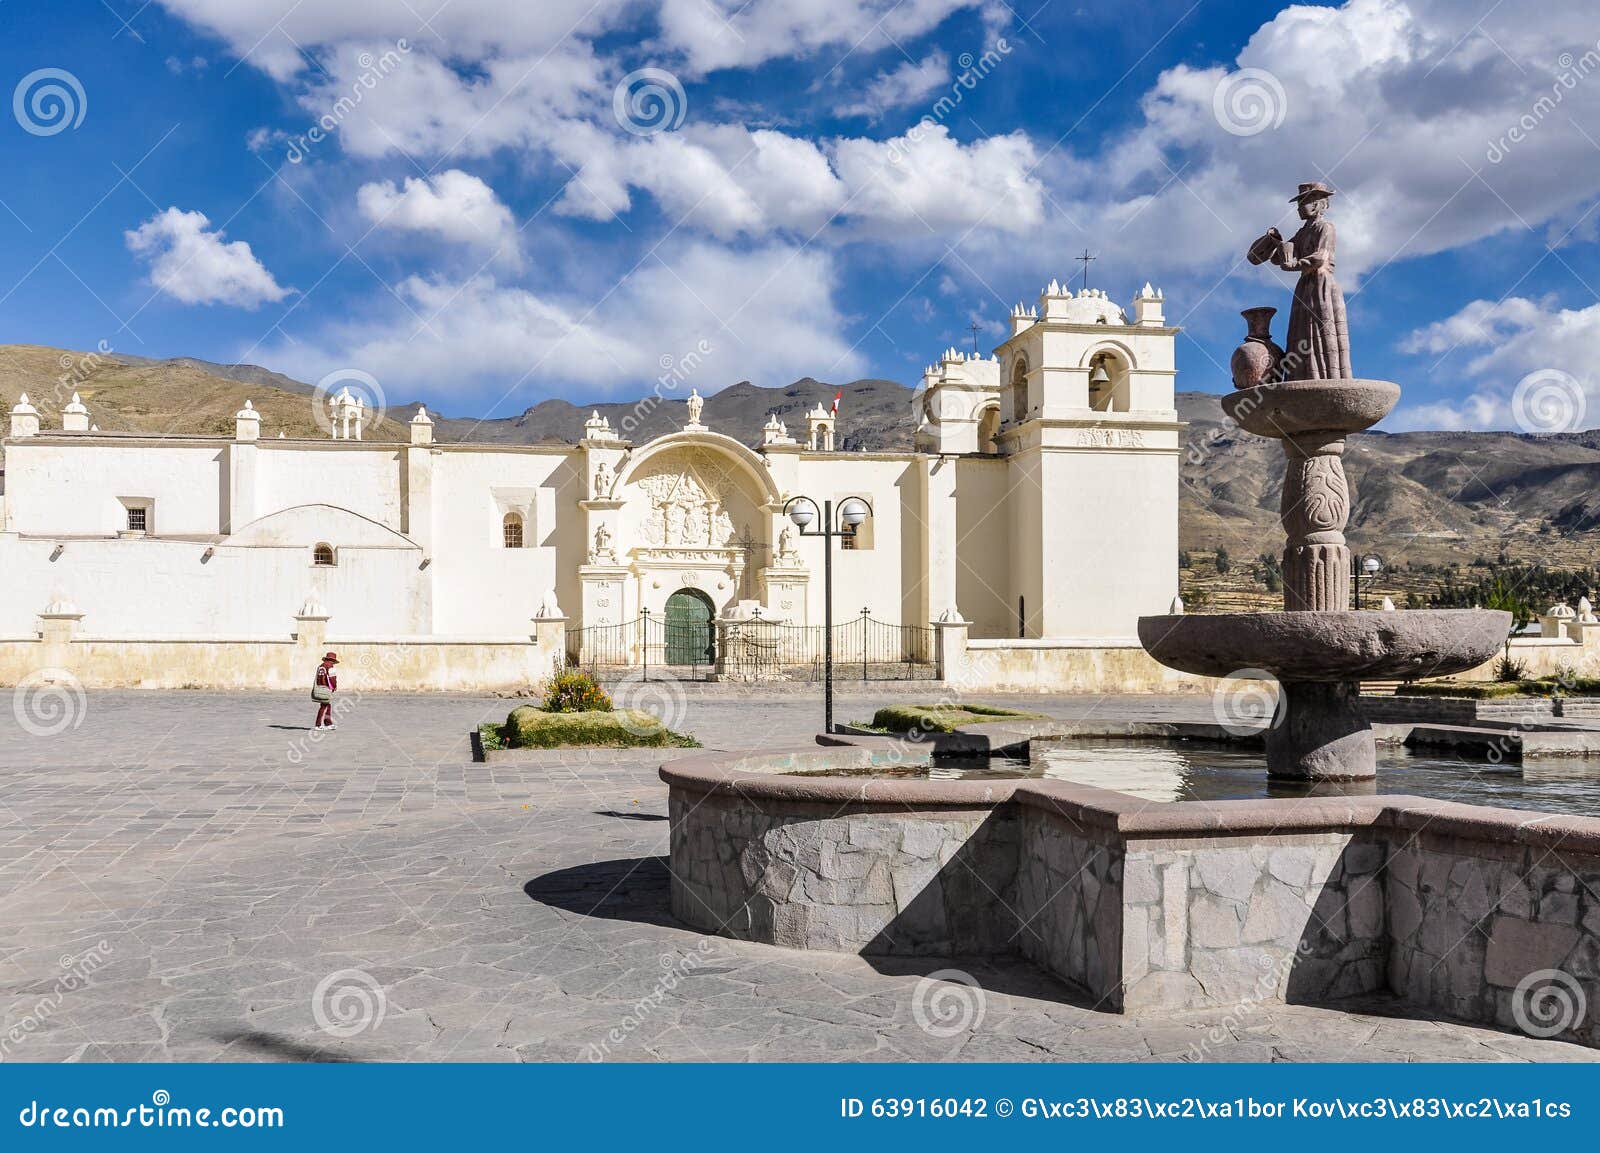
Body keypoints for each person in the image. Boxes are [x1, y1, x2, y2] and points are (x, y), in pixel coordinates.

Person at [1252, 181, 1353, 381]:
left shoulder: (1325, 227)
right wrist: (1276, 243)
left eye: (1302, 203)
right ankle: (1303, 374)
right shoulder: (1303, 232)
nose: (1298, 208)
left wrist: (1296, 264)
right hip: (1305, 286)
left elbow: (1320, 257)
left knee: (1321, 329)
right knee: (1302, 331)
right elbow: (1277, 257)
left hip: (1321, 285)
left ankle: (1325, 375)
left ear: (1316, 204)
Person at [312, 651, 339, 730]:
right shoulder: (330, 667)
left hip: (320, 687)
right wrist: (334, 686)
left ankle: (328, 723)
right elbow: (332, 678)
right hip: (326, 688)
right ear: (333, 660)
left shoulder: (320, 666)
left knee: (327, 705)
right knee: (324, 706)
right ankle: (318, 725)